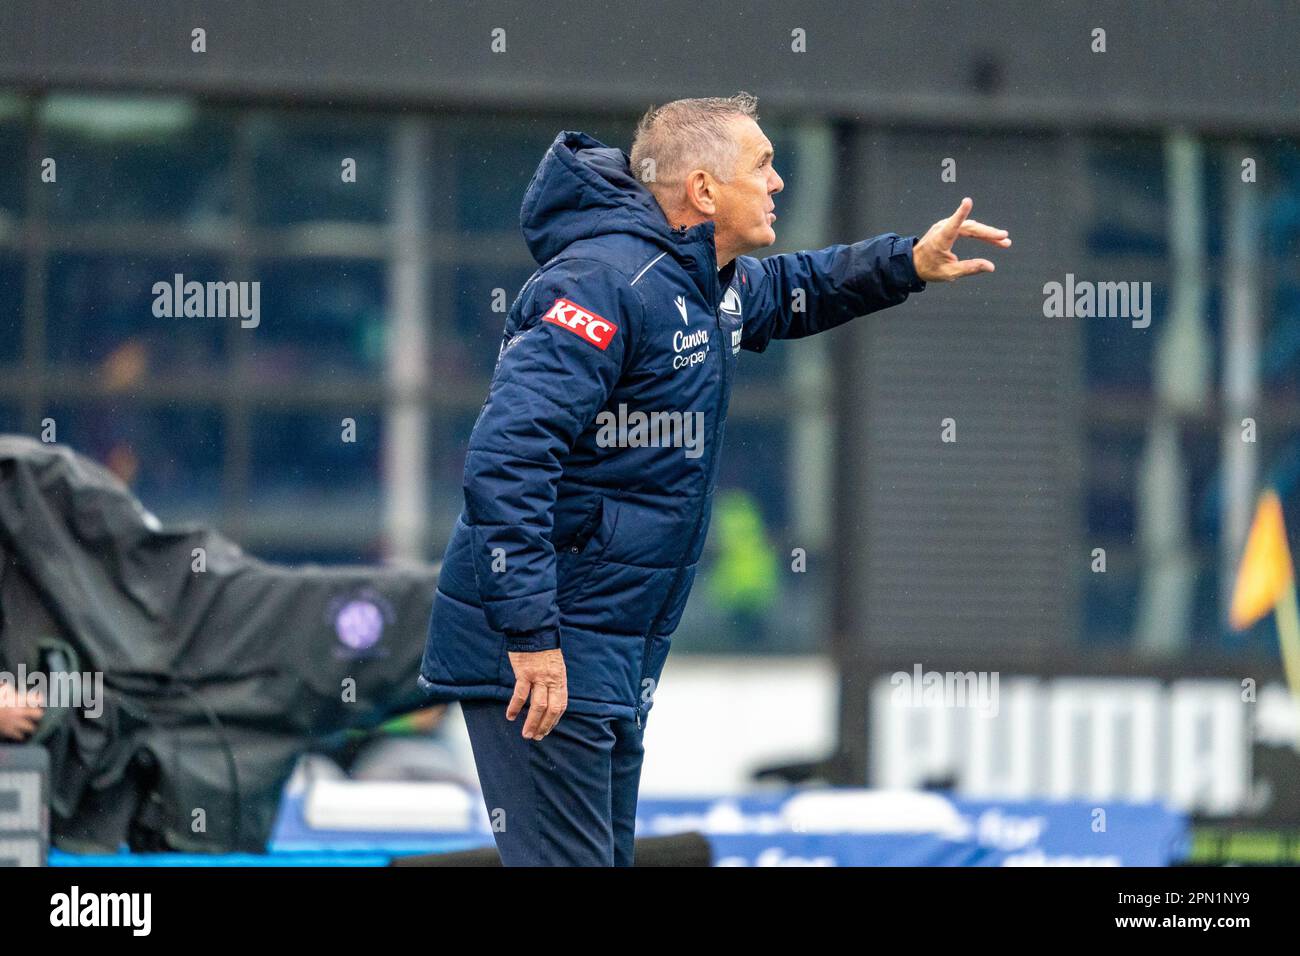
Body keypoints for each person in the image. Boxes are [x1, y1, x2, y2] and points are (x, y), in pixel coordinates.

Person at [417, 92, 1011, 865]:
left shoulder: (708, 283)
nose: (779, 182)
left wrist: (906, 262)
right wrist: (530, 636)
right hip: (547, 649)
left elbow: (802, 287)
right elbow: (507, 457)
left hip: (611, 649)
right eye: (762, 165)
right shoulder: (601, 283)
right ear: (702, 191)